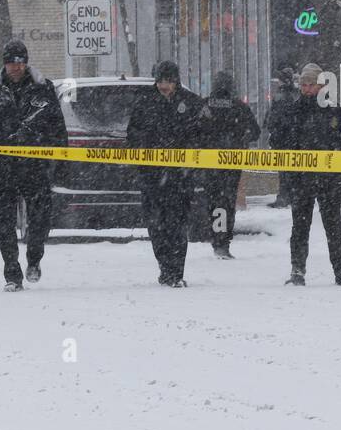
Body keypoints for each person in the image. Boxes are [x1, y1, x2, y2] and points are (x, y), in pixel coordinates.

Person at [0, 39, 68, 291]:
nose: (16, 67)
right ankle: (12, 272)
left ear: (26, 63)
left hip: (35, 166)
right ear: (4, 64)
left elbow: (58, 126)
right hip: (2, 168)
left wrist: (62, 162)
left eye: (20, 62)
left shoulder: (44, 89)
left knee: (40, 218)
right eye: (11, 63)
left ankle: (34, 257)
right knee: (5, 222)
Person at [270, 62, 341, 286]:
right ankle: (297, 271)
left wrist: (337, 154)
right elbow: (277, 142)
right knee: (300, 226)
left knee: (333, 225)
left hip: (329, 179)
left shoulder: (336, 111)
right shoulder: (292, 111)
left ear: (322, 85)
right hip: (300, 179)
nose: (307, 89)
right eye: (304, 84)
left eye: (312, 84)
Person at [127, 61, 204, 287]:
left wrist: (188, 153)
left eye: (168, 81)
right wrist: (145, 148)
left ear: (176, 81)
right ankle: (164, 266)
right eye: (160, 81)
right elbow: (132, 134)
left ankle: (176, 272)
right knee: (156, 226)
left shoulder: (190, 103)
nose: (164, 86)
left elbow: (202, 134)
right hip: (152, 177)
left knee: (177, 225)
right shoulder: (145, 104)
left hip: (181, 177)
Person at [198, 71, 261, 259]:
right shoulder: (239, 107)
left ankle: (216, 237)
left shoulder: (204, 105)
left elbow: (194, 130)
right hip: (232, 162)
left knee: (213, 200)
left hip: (209, 163)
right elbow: (255, 132)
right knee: (227, 201)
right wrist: (240, 138)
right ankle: (223, 241)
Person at [265, 67, 299, 207]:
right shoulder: (296, 94)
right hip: (293, 138)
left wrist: (271, 127)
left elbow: (274, 118)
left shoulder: (281, 96)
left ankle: (283, 198)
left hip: (282, 138)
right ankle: (292, 196)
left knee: (284, 171)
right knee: (292, 170)